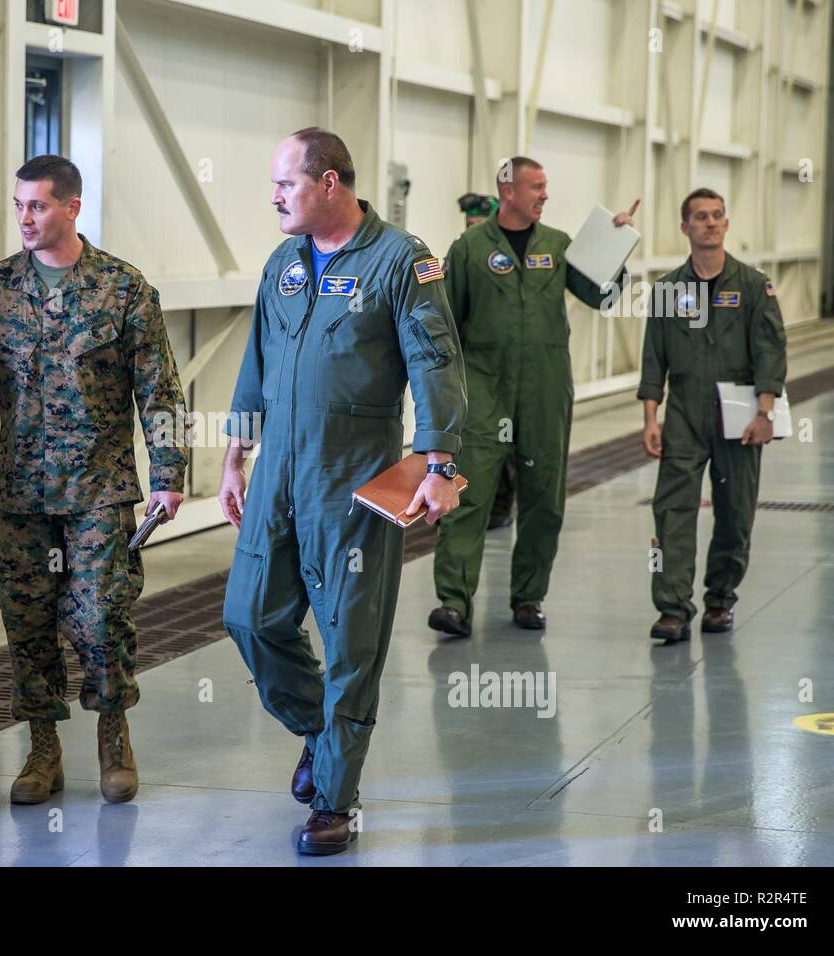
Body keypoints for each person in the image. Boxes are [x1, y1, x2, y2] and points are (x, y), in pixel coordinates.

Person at [219, 128, 467, 855]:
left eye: (285, 185)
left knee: (351, 645)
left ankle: (335, 800)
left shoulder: (401, 260)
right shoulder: (284, 263)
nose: (273, 197)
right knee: (250, 618)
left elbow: (435, 361)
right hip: (277, 477)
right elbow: (257, 356)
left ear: (330, 183)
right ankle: (318, 730)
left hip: (352, 480)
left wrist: (439, 462)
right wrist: (235, 454)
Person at [0, 154, 188, 805]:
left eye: (38, 205)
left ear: (72, 206)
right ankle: (43, 748)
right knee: (26, 620)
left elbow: (160, 390)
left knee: (102, 618)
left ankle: (112, 732)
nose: (25, 217)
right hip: (21, 495)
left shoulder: (123, 290)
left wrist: (169, 472)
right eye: (18, 205)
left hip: (100, 492)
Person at [430, 156, 638, 636]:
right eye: (536, 187)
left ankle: (528, 597)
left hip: (544, 390)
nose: (544, 195)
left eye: (545, 187)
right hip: (484, 390)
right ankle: (453, 603)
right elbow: (445, 323)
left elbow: (602, 298)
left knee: (544, 496)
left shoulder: (559, 245)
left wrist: (614, 248)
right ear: (508, 191)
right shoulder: (468, 249)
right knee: (469, 494)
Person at [639, 188, 786, 643]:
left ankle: (720, 600)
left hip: (739, 412)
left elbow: (771, 352)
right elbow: (653, 358)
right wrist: (651, 418)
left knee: (735, 511)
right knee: (672, 512)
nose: (710, 223)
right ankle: (673, 608)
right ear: (685, 227)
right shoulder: (667, 290)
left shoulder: (754, 286)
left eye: (718, 216)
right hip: (684, 410)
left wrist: (765, 412)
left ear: (726, 224)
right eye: (700, 217)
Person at [456, 191, 516, 529]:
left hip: (505, 370)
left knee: (505, 443)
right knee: (468, 440)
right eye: (469, 224)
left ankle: (500, 506)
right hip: (469, 367)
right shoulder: (461, 255)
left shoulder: (506, 263)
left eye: (479, 223)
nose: (472, 229)